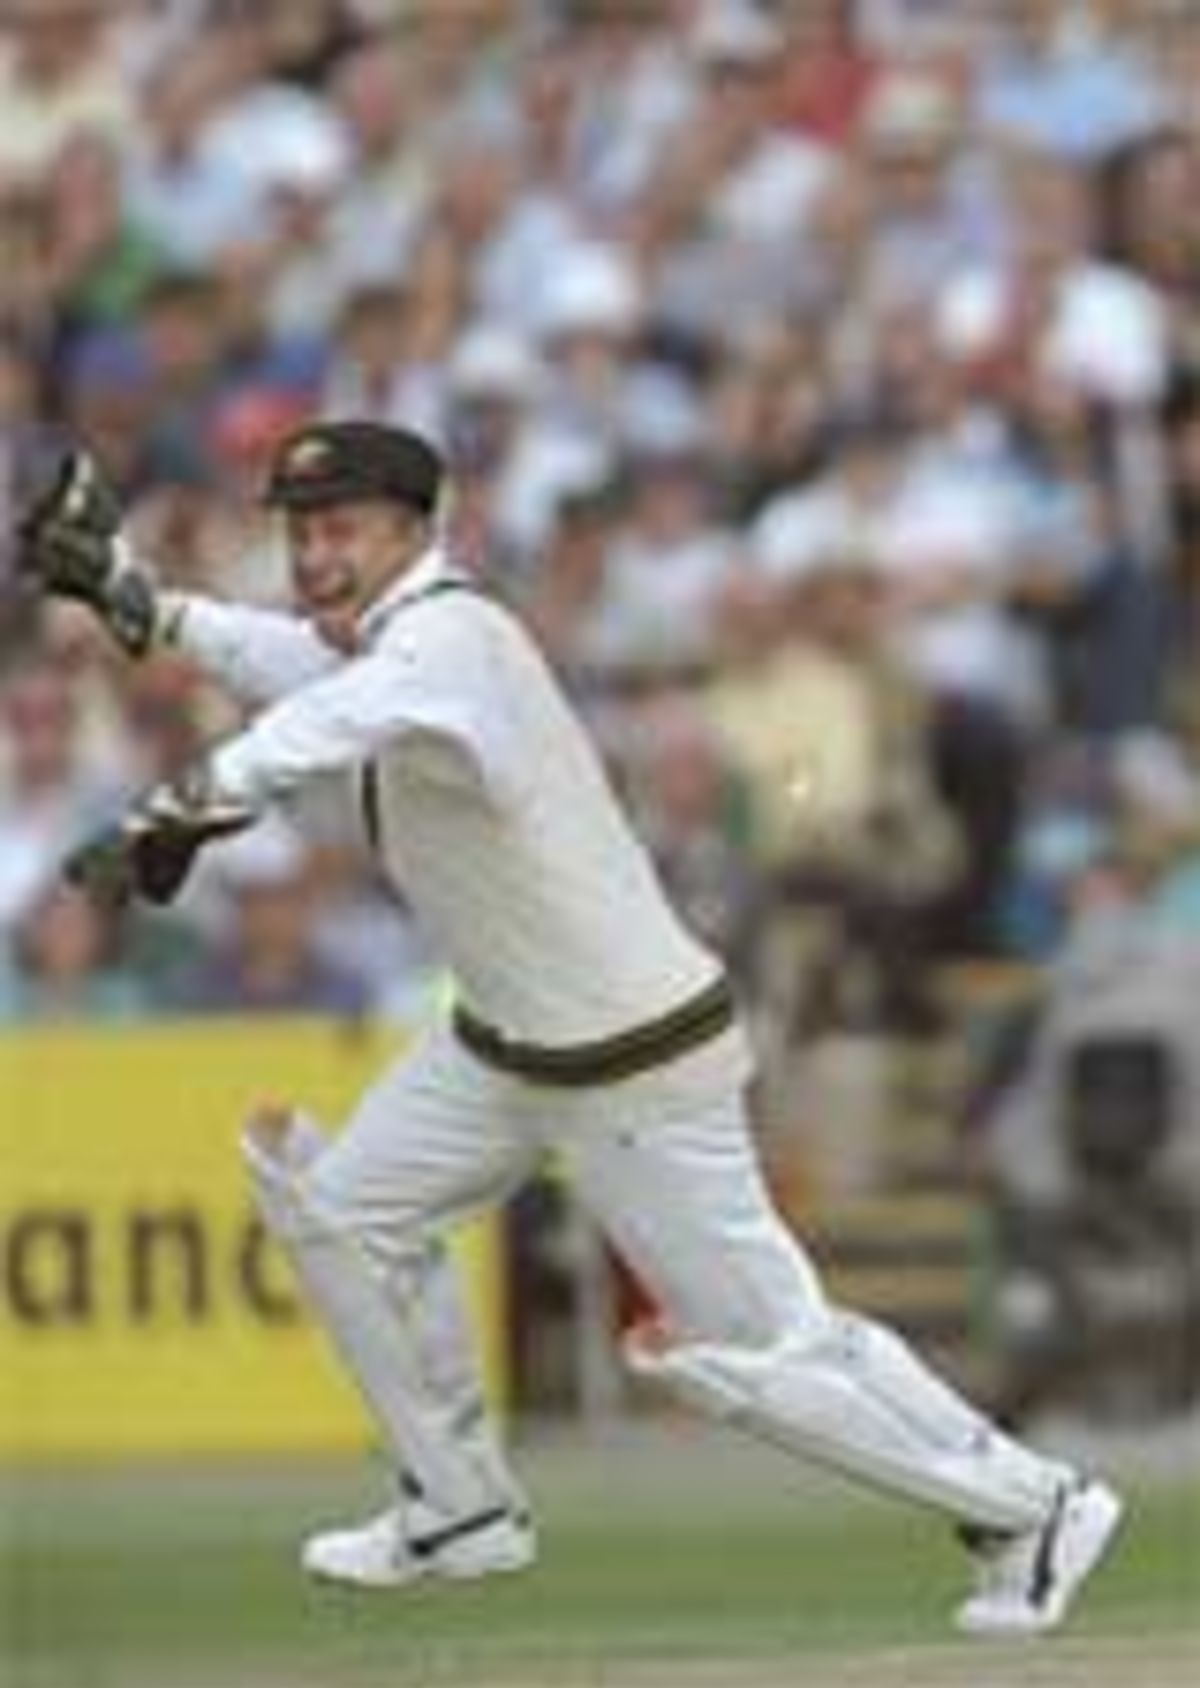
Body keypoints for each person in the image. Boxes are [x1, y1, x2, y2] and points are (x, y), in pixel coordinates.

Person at [16, 424, 1121, 1636]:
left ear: (411, 529)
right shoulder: (383, 644)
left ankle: (1037, 1505)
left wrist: (186, 801)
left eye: (339, 531)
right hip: (502, 1045)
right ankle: (458, 1503)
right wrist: (138, 602)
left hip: (630, 1059)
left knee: (763, 1354)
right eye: (300, 531)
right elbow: (283, 661)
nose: (314, 556)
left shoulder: (454, 640)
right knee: (341, 1207)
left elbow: (317, 727)